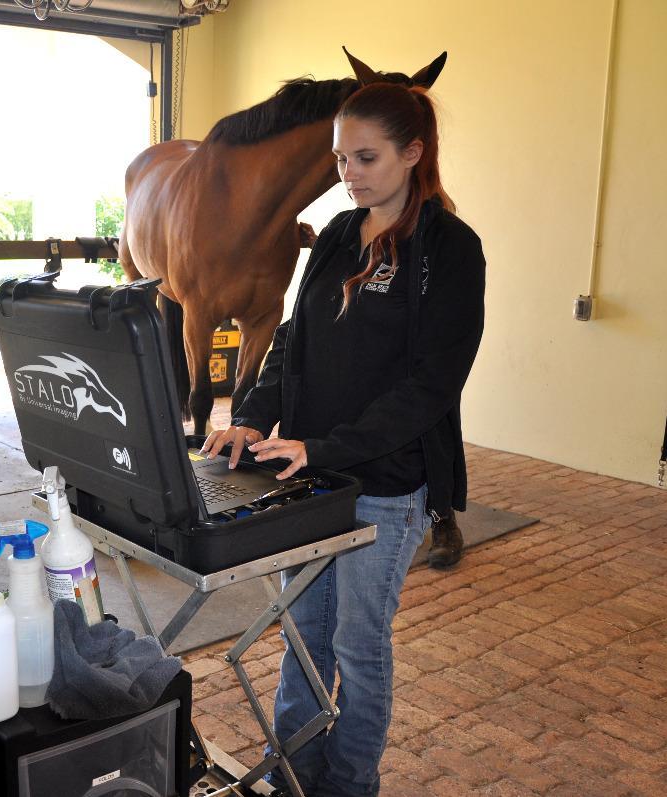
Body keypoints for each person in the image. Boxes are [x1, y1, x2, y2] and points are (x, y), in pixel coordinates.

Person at [201, 79, 485, 796]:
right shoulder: (333, 234)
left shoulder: (449, 249)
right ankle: (296, 776)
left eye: (365, 158)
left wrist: (320, 448)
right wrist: (251, 416)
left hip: (386, 486)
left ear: (414, 154)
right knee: (303, 640)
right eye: (339, 159)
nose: (347, 174)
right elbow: (294, 340)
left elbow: (430, 387)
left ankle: (349, 785)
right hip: (313, 478)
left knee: (358, 648)